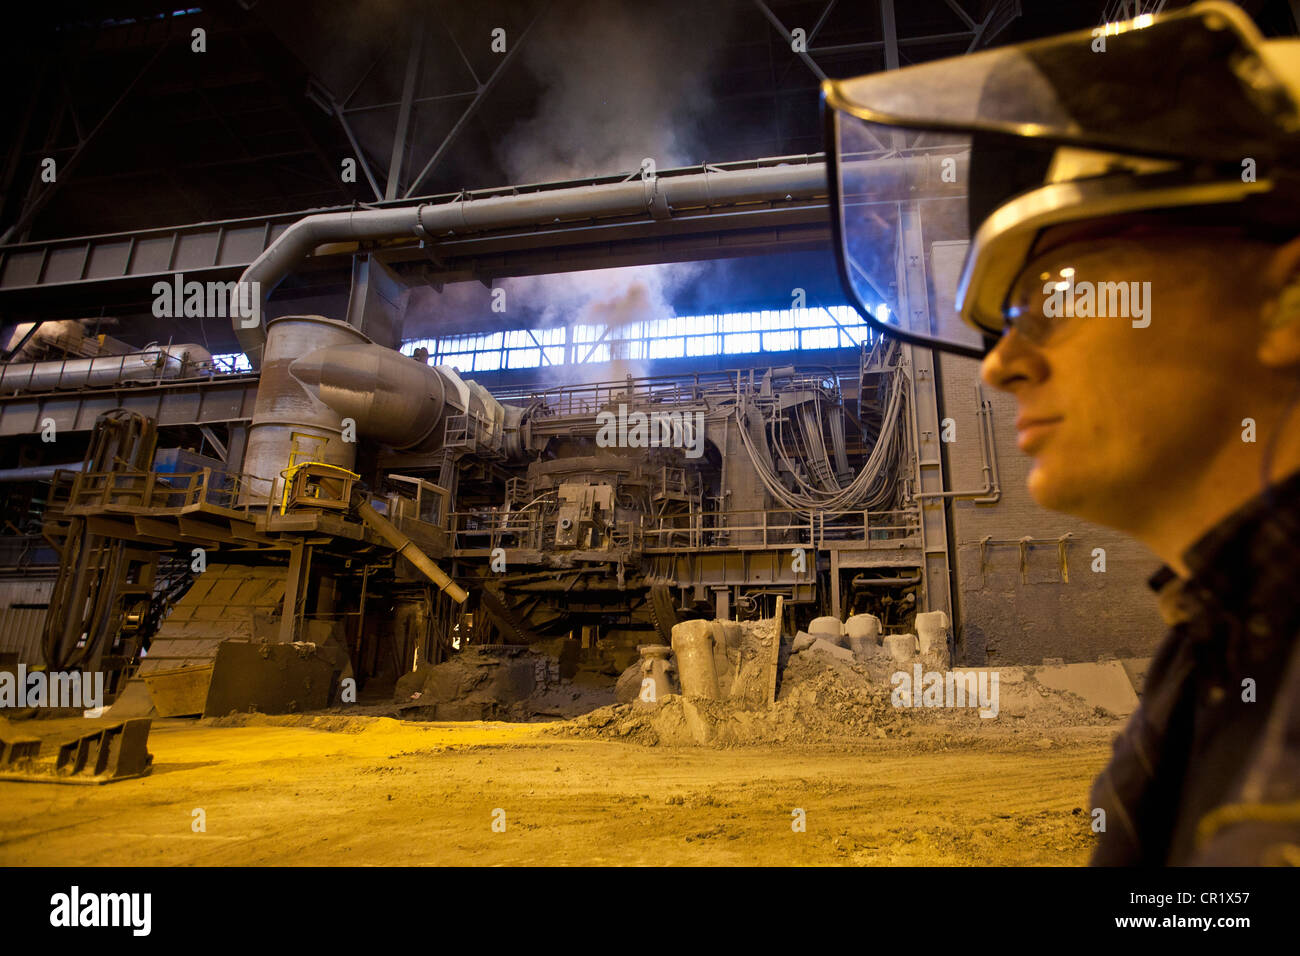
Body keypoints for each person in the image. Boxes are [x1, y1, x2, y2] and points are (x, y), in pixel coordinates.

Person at [822, 0, 1300, 864]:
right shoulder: (1212, 652)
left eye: (1060, 297)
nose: (1003, 365)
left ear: (1286, 300)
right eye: (1008, 318)